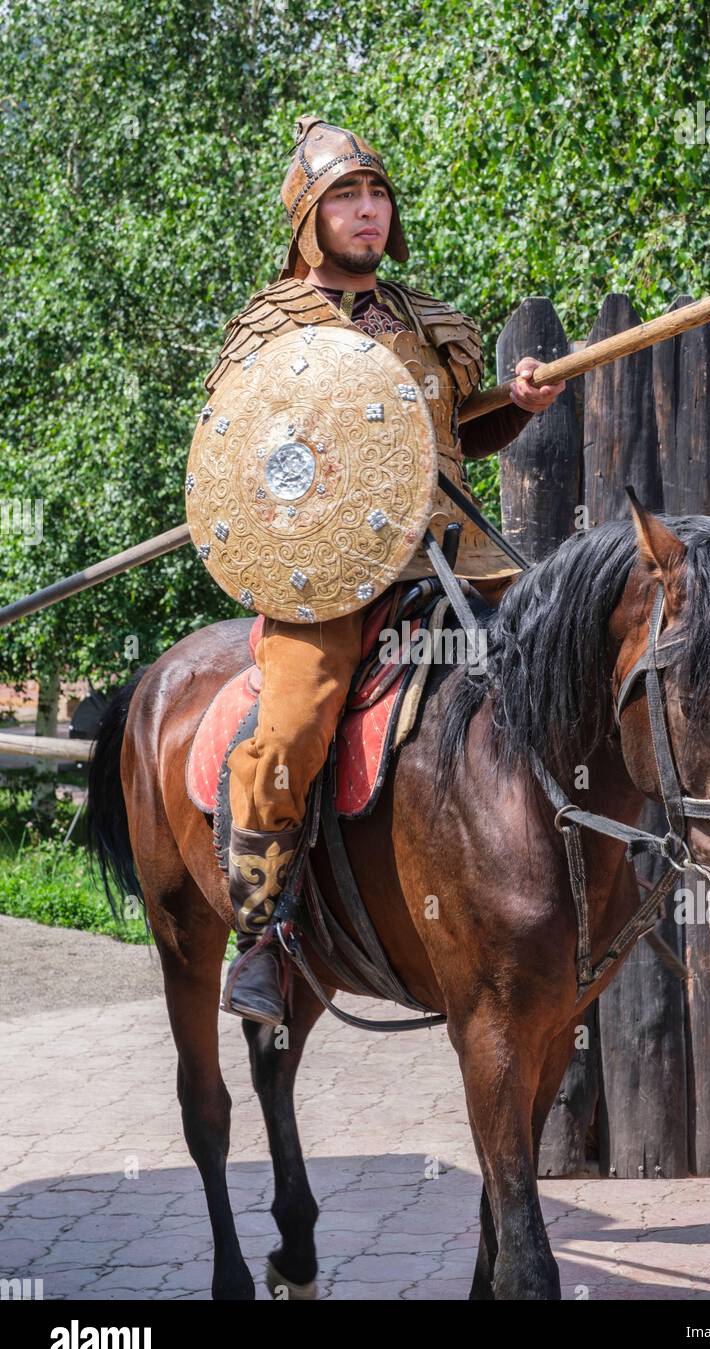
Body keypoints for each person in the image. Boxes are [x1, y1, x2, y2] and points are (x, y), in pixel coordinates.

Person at [204, 115, 565, 1024]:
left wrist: (515, 407)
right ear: (309, 218)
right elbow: (238, 455)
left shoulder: (430, 324)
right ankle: (264, 937)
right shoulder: (268, 329)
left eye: (376, 195)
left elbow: (456, 437)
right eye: (344, 198)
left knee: (575, 656)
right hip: (325, 569)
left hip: (453, 555)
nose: (366, 212)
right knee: (292, 724)